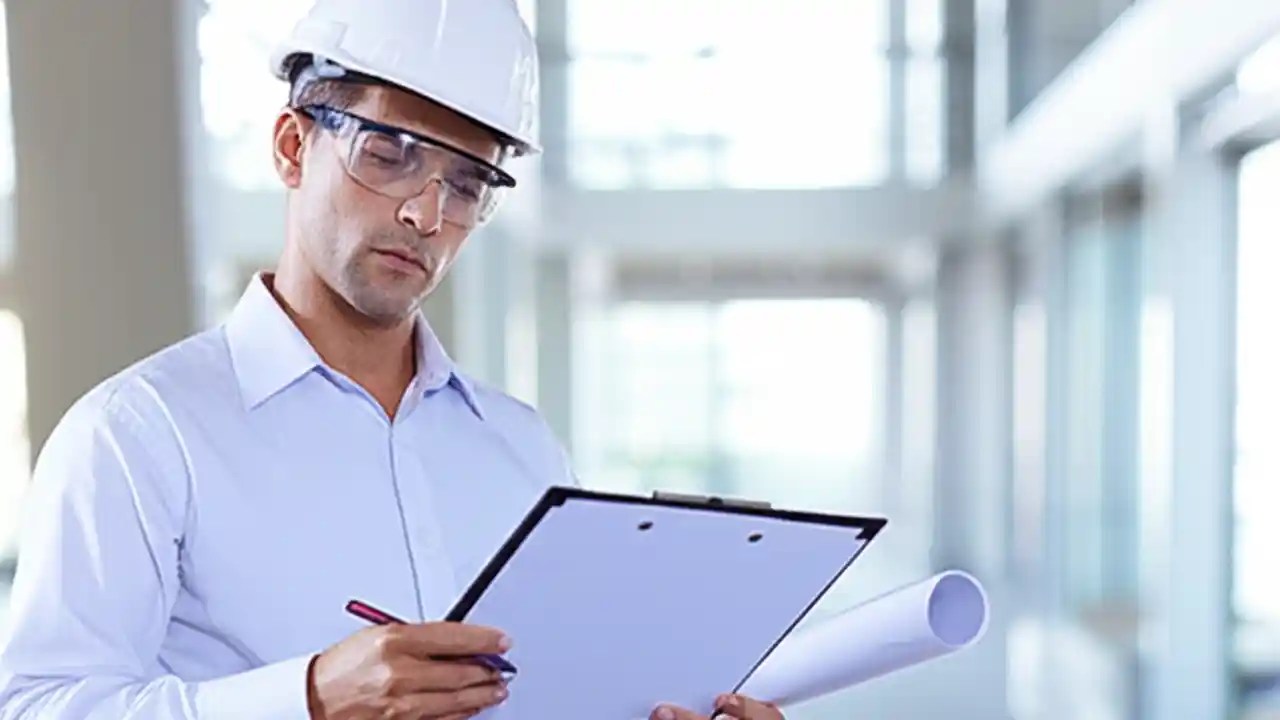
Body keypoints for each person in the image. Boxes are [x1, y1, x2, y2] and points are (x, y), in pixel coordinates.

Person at [0, 1, 785, 719]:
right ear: (292, 146)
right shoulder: (139, 434)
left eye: (470, 182)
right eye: (389, 153)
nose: (425, 213)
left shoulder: (521, 448)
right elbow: (41, 708)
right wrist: (306, 699)